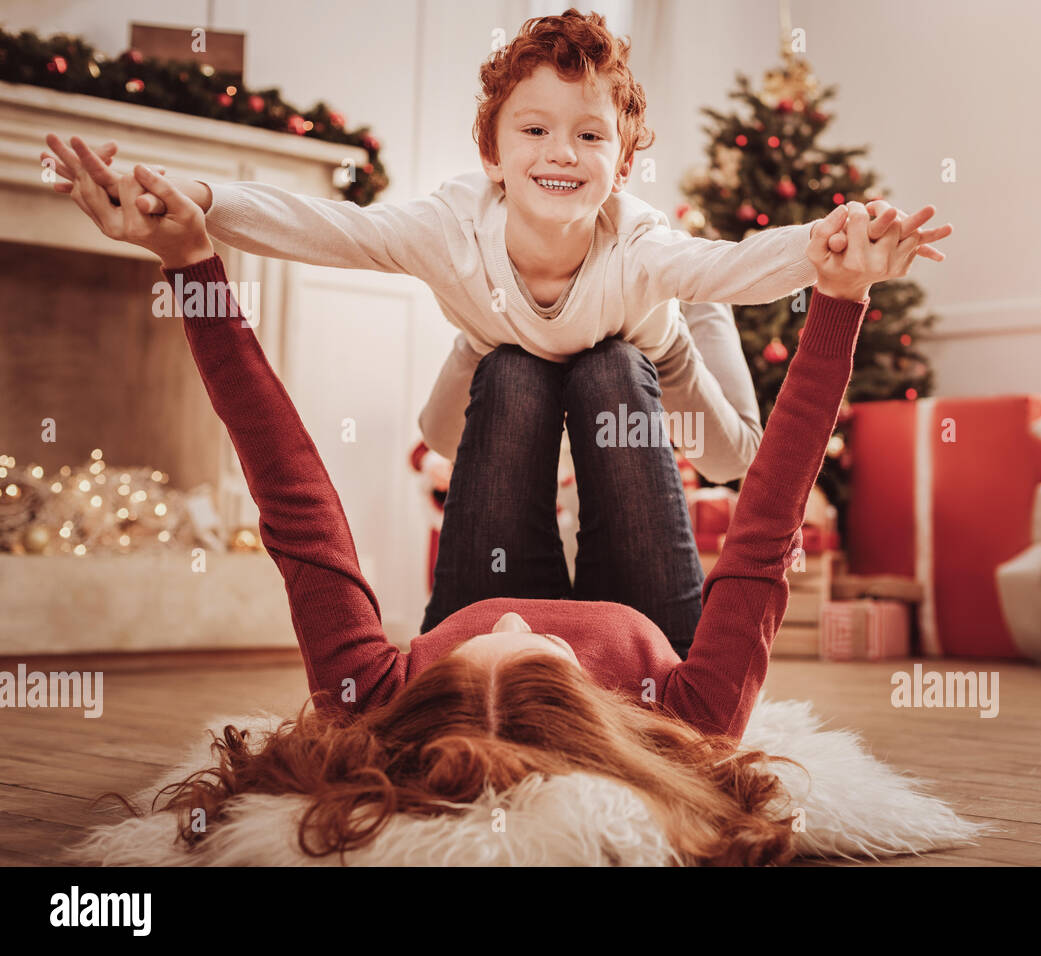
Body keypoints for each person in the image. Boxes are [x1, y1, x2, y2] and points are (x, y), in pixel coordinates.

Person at [52, 135, 950, 865]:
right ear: (595, 712)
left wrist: (191, 264)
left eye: (473, 650)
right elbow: (764, 528)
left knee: (517, 370)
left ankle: (585, 340)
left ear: (426, 687)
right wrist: (840, 297)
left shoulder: (367, 695)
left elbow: (292, 495)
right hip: (650, 607)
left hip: (492, 512)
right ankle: (628, 345)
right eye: (546, 654)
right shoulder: (688, 720)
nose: (517, 622)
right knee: (609, 368)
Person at [43, 9, 947, 657]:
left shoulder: (637, 242)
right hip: (494, 341)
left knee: (640, 386)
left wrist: (829, 243)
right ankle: (494, 385)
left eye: (590, 136)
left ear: (621, 164)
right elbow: (329, 227)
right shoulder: (450, 226)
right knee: (505, 376)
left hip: (659, 336)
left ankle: (648, 616)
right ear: (493, 153)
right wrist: (200, 200)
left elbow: (739, 266)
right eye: (536, 129)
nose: (561, 150)